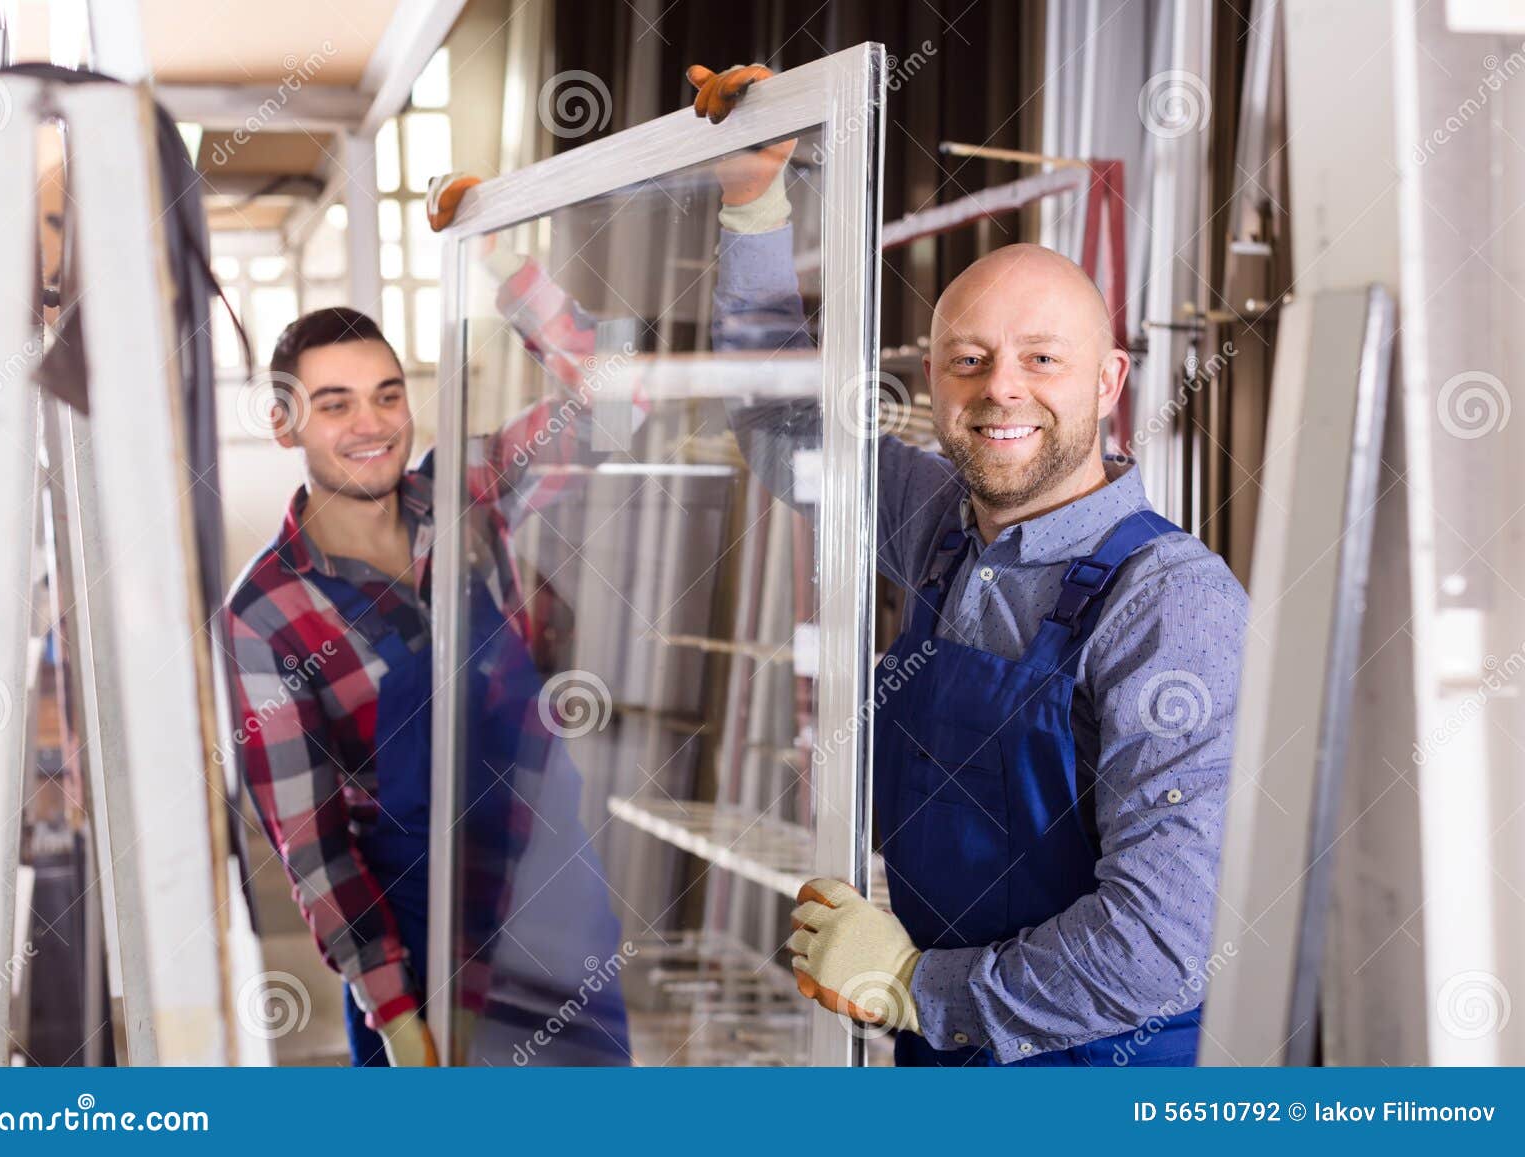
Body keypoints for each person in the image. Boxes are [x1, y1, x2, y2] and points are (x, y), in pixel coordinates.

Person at [687, 64, 1249, 1067]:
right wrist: (751, 205)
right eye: (968, 359)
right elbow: (778, 421)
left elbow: (1165, 942)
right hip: (942, 1056)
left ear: (1110, 382)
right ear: (933, 380)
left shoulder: (1170, 606)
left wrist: (915, 985)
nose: (1002, 391)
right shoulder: (941, 525)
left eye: (1043, 358)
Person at [224, 302, 630, 1067]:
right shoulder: (265, 613)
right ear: (285, 425)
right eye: (334, 404)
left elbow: (617, 405)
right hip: (418, 941)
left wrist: (507, 255)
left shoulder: (466, 493)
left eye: (387, 394)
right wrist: (397, 1015)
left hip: (555, 904)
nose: (371, 423)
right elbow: (313, 843)